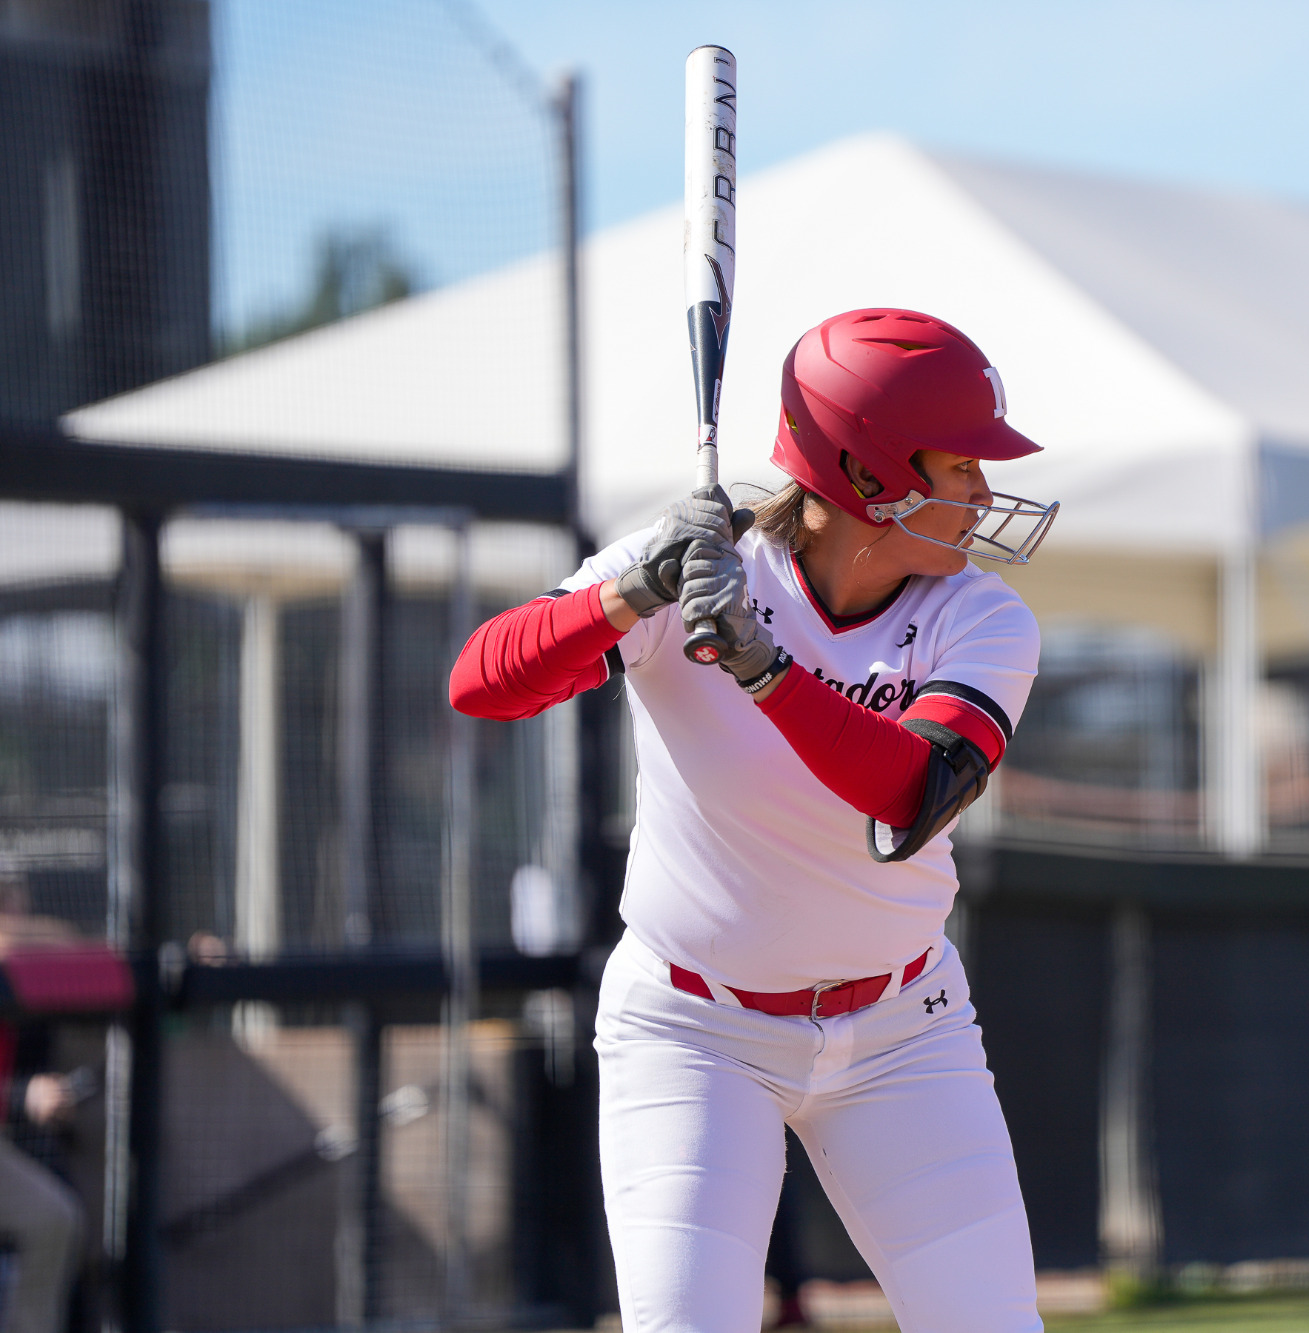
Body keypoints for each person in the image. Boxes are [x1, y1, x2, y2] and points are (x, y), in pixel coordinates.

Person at [450, 309, 1058, 1331]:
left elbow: (909, 790)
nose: (984, 495)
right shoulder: (696, 559)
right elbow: (481, 681)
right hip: (692, 1028)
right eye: (960, 467)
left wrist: (762, 668)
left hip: (903, 1031)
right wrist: (626, 594)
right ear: (870, 481)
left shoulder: (982, 616)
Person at [0, 874, 88, 1333]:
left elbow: (76, 952)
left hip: (14, 1141)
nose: (19, 919)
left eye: (20, 905)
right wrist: (21, 1097)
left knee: (55, 1217)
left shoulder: (24, 967)